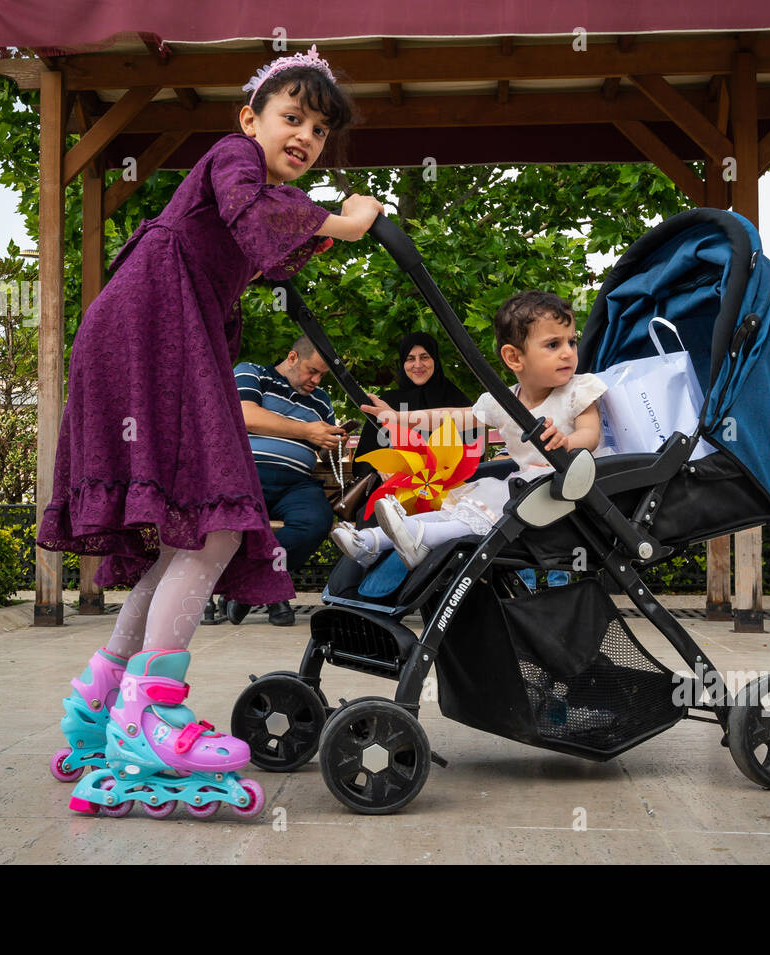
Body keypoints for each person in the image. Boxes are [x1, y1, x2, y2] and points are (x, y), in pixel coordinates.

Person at [37, 46, 385, 814]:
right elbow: (258, 218)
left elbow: (267, 243)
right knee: (215, 527)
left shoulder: (249, 189)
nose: (306, 136)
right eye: (292, 117)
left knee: (183, 537)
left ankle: (97, 706)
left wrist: (322, 232)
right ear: (249, 117)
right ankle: (149, 716)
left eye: (320, 130)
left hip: (147, 331)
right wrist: (345, 220)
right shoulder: (234, 160)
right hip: (150, 331)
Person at [332, 291, 607, 569]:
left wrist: (567, 441)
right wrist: (396, 417)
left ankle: (418, 539)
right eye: (553, 344)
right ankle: (372, 541)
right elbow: (449, 417)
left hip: (564, 490)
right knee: (457, 511)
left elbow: (591, 435)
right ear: (514, 358)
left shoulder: (578, 389)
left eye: (572, 341)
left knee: (480, 510)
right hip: (526, 488)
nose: (568, 352)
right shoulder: (505, 401)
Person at [218, 336, 345, 627]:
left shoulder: (321, 401)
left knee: (317, 520)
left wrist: (331, 442)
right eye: (312, 371)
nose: (316, 379)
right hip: (246, 475)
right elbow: (246, 415)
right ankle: (263, 590)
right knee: (244, 522)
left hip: (295, 484)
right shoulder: (252, 372)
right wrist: (307, 431)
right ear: (292, 358)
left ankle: (246, 583)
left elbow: (320, 449)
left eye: (322, 375)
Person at [352, 332, 473, 483]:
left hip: (448, 491)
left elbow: (472, 454)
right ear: (403, 363)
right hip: (395, 492)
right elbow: (364, 457)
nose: (417, 365)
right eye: (410, 359)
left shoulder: (456, 400)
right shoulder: (388, 402)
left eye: (424, 357)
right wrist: (379, 467)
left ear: (435, 360)